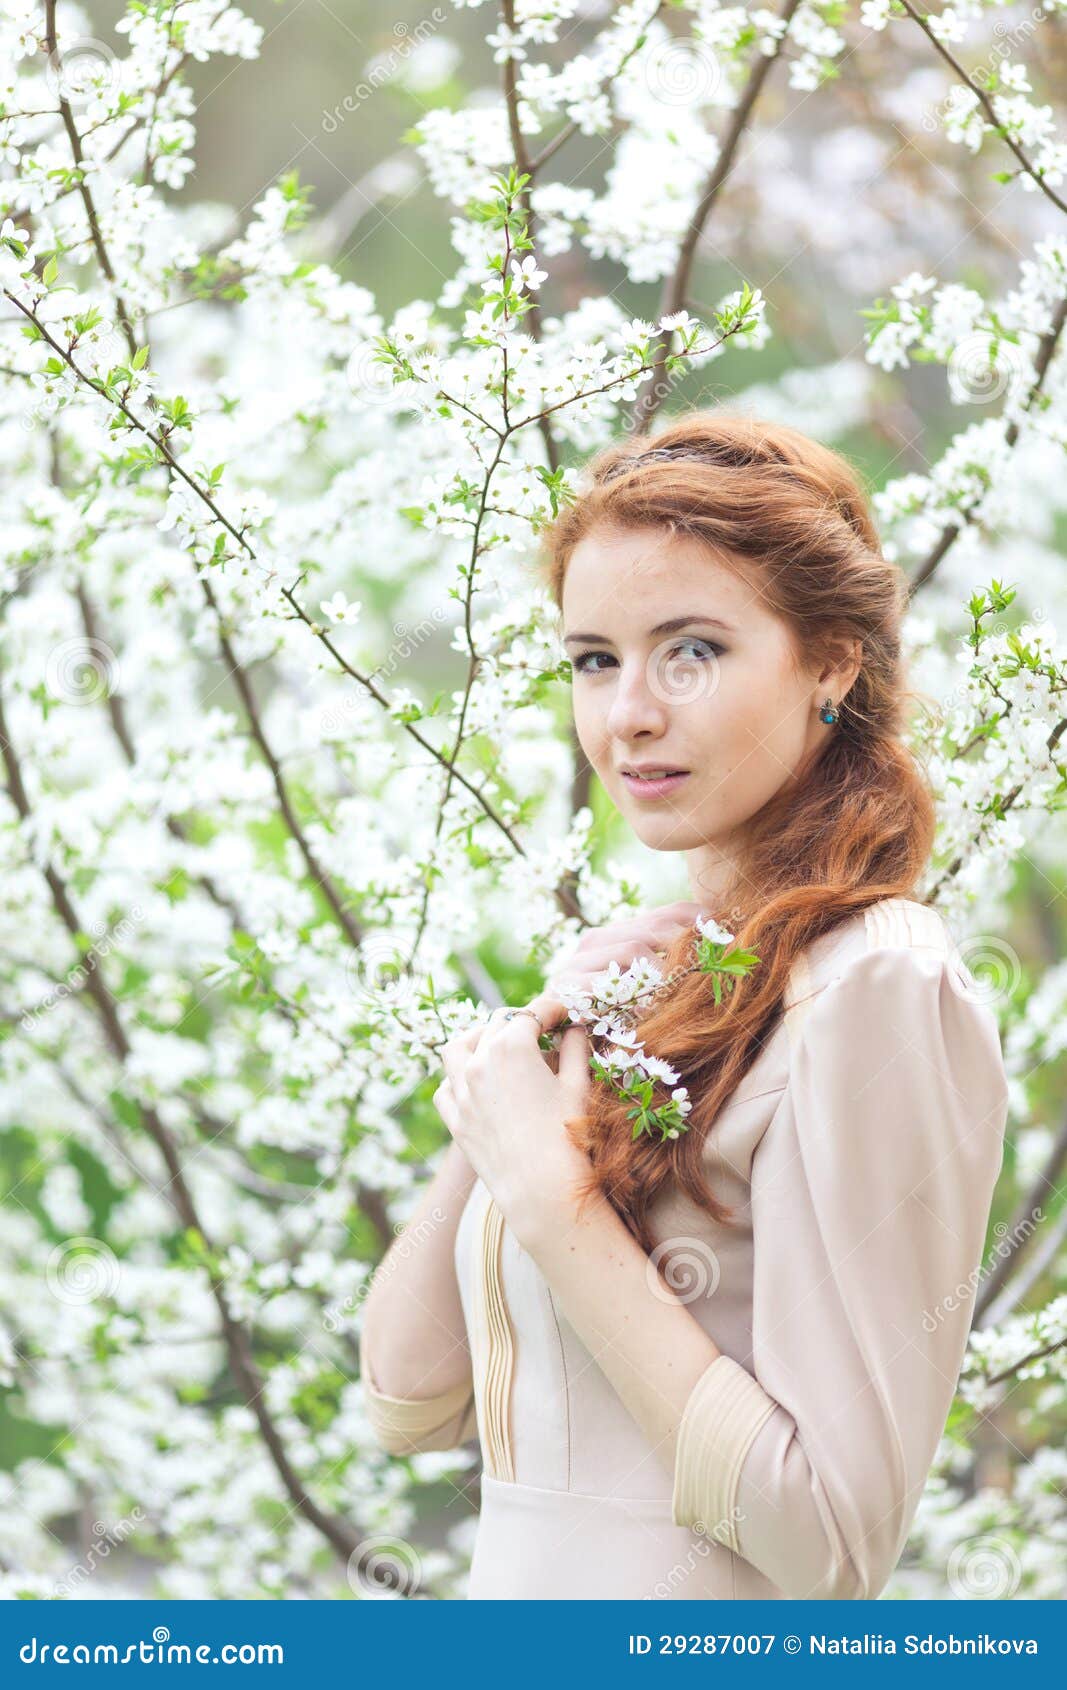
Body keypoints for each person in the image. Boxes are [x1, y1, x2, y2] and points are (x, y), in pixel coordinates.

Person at [359, 412, 1009, 1600]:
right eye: (592, 658)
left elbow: (830, 1542)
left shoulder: (877, 985)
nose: (628, 714)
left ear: (829, 662)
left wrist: (558, 1206)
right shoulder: (646, 980)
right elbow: (408, 1397)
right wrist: (517, 1089)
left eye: (691, 649)